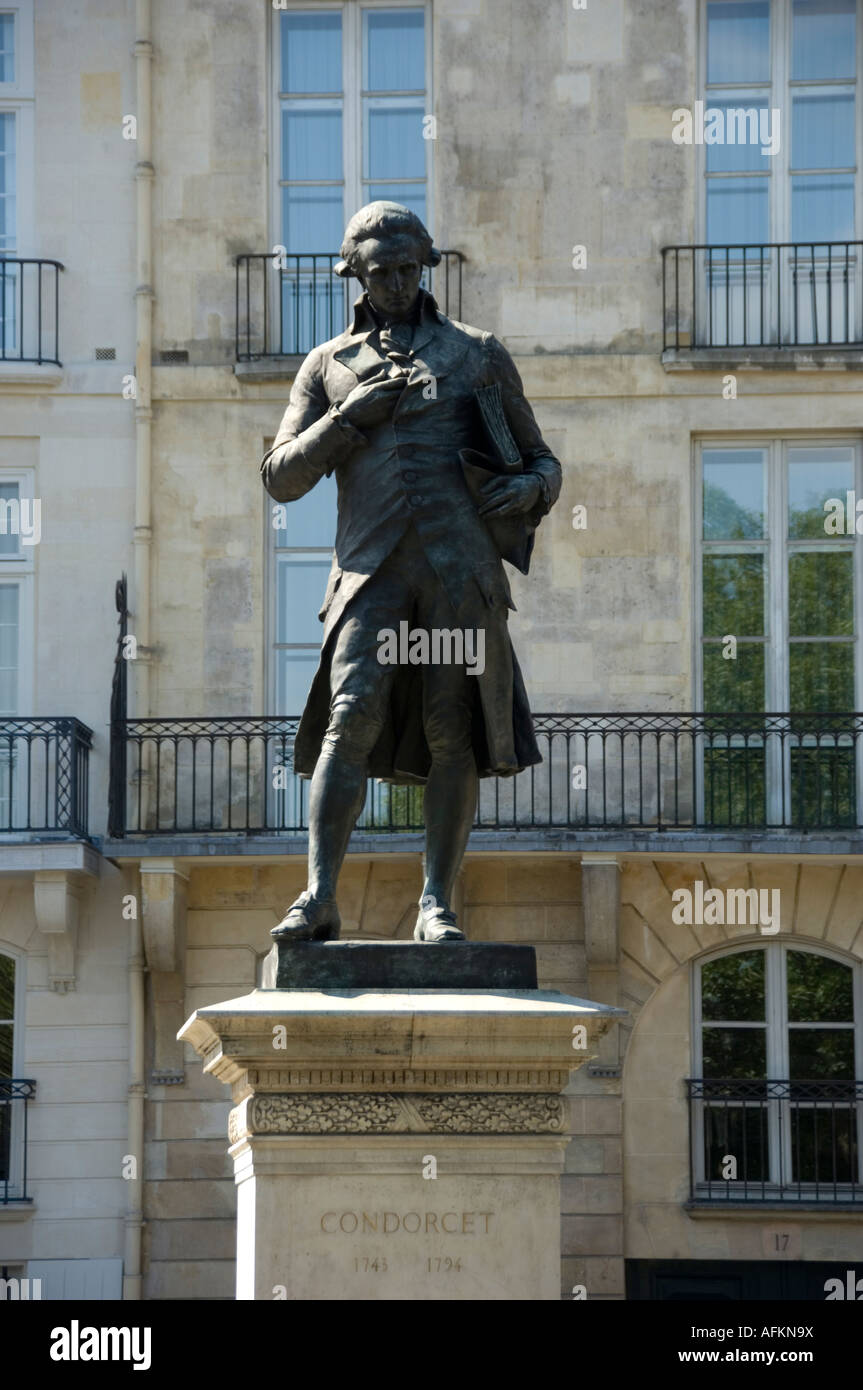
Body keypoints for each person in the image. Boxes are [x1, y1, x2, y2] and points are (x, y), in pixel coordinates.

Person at [260, 202, 561, 943]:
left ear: (424, 265)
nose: (394, 282)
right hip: (369, 576)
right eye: (378, 271)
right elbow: (279, 477)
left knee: (449, 726)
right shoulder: (327, 364)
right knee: (350, 717)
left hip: (458, 575)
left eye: (406, 268)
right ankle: (320, 896)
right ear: (353, 275)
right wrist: (348, 419)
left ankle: (435, 904)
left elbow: (541, 459)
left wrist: (531, 488)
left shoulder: (476, 352)